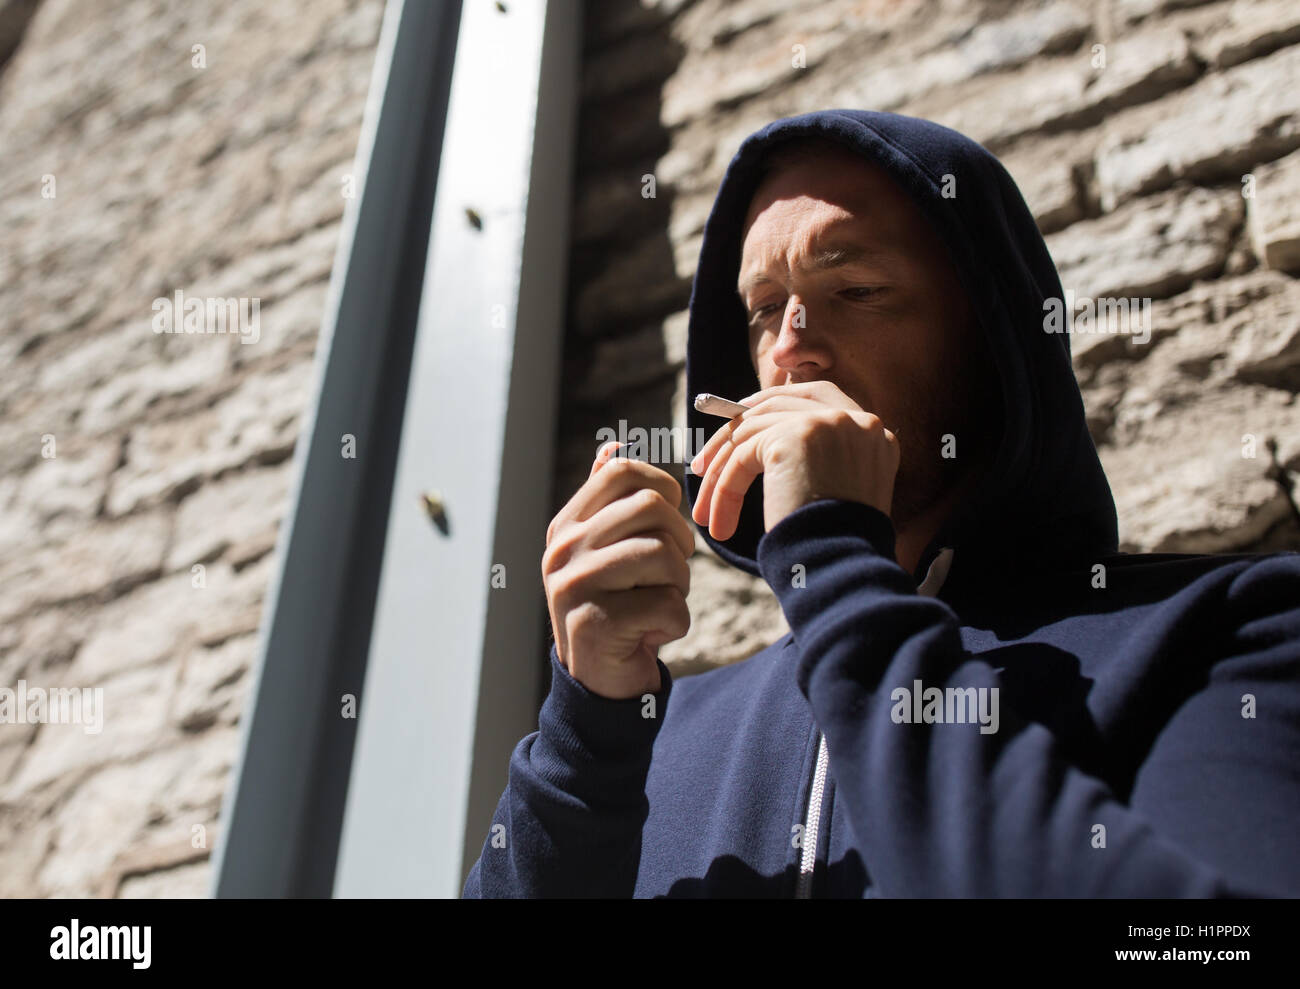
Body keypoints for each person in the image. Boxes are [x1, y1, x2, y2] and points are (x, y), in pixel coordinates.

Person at [462, 109, 1300, 897]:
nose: (789, 347)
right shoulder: (663, 737)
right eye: (761, 309)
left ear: (994, 340)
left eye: (855, 288)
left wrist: (832, 561)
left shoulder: (1225, 632)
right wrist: (588, 729)